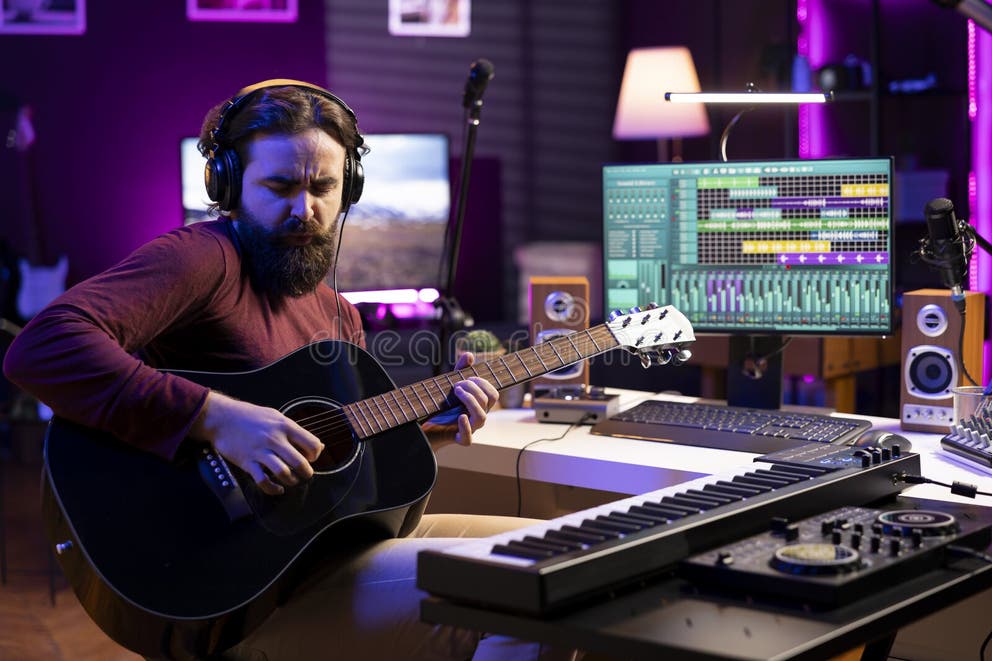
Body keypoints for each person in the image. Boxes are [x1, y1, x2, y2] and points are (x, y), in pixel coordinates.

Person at [3, 80, 576, 660]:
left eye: (324, 187)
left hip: (326, 548)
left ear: (348, 187)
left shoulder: (338, 313)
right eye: (279, 186)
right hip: (239, 588)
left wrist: (435, 422)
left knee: (574, 560)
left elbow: (346, 465)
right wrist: (217, 418)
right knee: (536, 598)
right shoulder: (203, 259)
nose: (306, 210)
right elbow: (42, 347)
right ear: (226, 185)